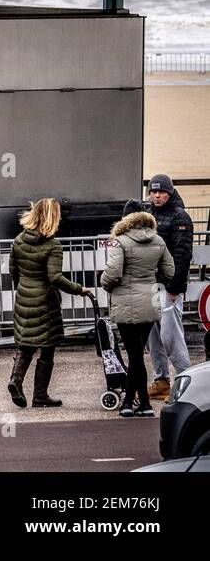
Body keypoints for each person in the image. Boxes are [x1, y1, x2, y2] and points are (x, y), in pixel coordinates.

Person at [7, 198, 90, 408]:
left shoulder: (19, 240)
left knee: (26, 345)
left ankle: (15, 380)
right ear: (53, 217)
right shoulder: (53, 246)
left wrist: (23, 288)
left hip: (24, 299)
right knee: (47, 347)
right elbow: (55, 277)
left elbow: (13, 271)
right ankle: (40, 395)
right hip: (45, 302)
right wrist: (79, 289)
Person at [122, 175, 194, 402]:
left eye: (161, 192)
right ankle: (161, 381)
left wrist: (175, 287)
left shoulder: (180, 217)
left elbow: (183, 255)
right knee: (153, 338)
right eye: (153, 192)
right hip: (149, 286)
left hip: (168, 287)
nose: (157, 195)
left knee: (171, 336)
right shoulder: (149, 215)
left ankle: (185, 381)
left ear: (170, 192)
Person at [100, 209, 176, 417]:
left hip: (125, 301)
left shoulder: (120, 241)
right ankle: (140, 403)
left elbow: (113, 272)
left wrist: (105, 283)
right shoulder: (159, 241)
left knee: (134, 355)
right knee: (138, 353)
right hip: (150, 300)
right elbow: (169, 271)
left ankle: (134, 404)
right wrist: (152, 280)